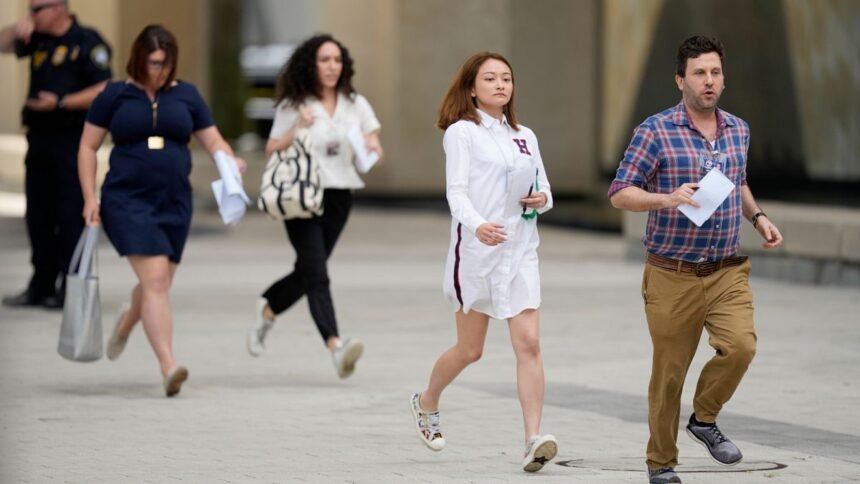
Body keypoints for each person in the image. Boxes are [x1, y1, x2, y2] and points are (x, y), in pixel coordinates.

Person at [608, 36, 784, 484]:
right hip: (673, 273)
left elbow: (736, 182)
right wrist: (666, 199)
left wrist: (758, 217)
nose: (709, 81)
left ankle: (704, 418)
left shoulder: (738, 130)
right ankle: (661, 463)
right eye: (700, 73)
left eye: (716, 73)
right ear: (680, 79)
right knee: (669, 377)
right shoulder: (656, 130)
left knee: (741, 346)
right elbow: (620, 193)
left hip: (727, 269)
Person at [409, 52, 558, 473]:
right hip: (477, 253)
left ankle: (533, 440)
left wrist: (541, 200)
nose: (500, 85)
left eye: (506, 78)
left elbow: (544, 187)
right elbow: (455, 193)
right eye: (490, 78)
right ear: (472, 88)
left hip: (521, 250)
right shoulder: (462, 133)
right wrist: (478, 226)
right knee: (470, 350)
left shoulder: (525, 134)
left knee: (528, 343)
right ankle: (427, 401)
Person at [78, 25, 245, 397]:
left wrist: (230, 162)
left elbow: (212, 139)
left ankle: (126, 322)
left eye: (167, 64)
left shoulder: (186, 95)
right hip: (126, 199)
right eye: (154, 63)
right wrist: (90, 197)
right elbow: (87, 147)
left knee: (158, 283)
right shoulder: (114, 95)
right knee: (155, 281)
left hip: (174, 201)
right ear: (139, 58)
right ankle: (169, 366)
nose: (161, 71)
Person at [246, 34, 384, 379]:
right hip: (302, 194)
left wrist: (371, 147)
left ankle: (269, 308)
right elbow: (272, 147)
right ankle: (336, 346)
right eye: (324, 60)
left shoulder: (356, 103)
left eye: (337, 60)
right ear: (311, 64)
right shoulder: (296, 104)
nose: (331, 66)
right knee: (317, 274)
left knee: (310, 270)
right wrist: (298, 127)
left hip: (341, 193)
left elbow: (376, 147)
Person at [0, 0, 111, 309]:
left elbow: (105, 87)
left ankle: (71, 285)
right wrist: (17, 29)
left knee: (70, 212)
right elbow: (2, 44)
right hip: (40, 138)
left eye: (37, 10)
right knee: (38, 213)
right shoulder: (37, 37)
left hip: (72, 140)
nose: (32, 15)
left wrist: (62, 102)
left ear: (59, 8)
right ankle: (41, 283)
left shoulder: (87, 41)